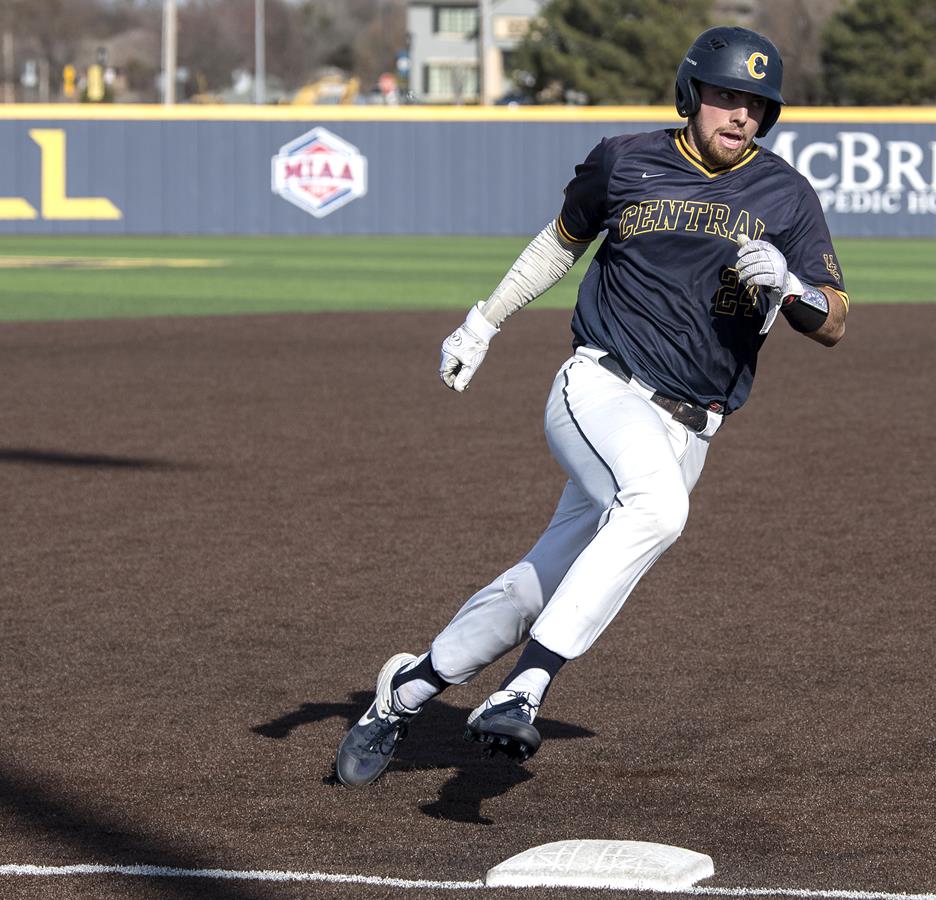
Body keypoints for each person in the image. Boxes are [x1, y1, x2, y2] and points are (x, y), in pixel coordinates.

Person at [333, 25, 849, 787]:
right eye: (727, 96)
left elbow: (835, 320)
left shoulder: (785, 195)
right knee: (656, 510)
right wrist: (485, 319)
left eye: (757, 104)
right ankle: (524, 688)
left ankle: (401, 695)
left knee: (533, 590)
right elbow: (558, 244)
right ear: (691, 93)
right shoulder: (626, 159)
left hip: (693, 427)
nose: (741, 115)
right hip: (601, 387)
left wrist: (795, 287)